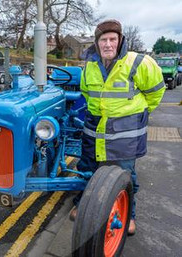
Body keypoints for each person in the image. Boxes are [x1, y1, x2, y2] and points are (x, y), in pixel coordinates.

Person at [69, 19, 165, 236]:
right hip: (94, 129)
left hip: (125, 134)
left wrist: (141, 114)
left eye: (113, 39)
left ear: (121, 40)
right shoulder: (90, 66)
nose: (108, 44)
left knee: (124, 175)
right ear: (97, 42)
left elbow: (156, 92)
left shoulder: (139, 63)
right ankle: (82, 203)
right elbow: (86, 93)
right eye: (104, 39)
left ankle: (128, 215)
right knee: (87, 169)